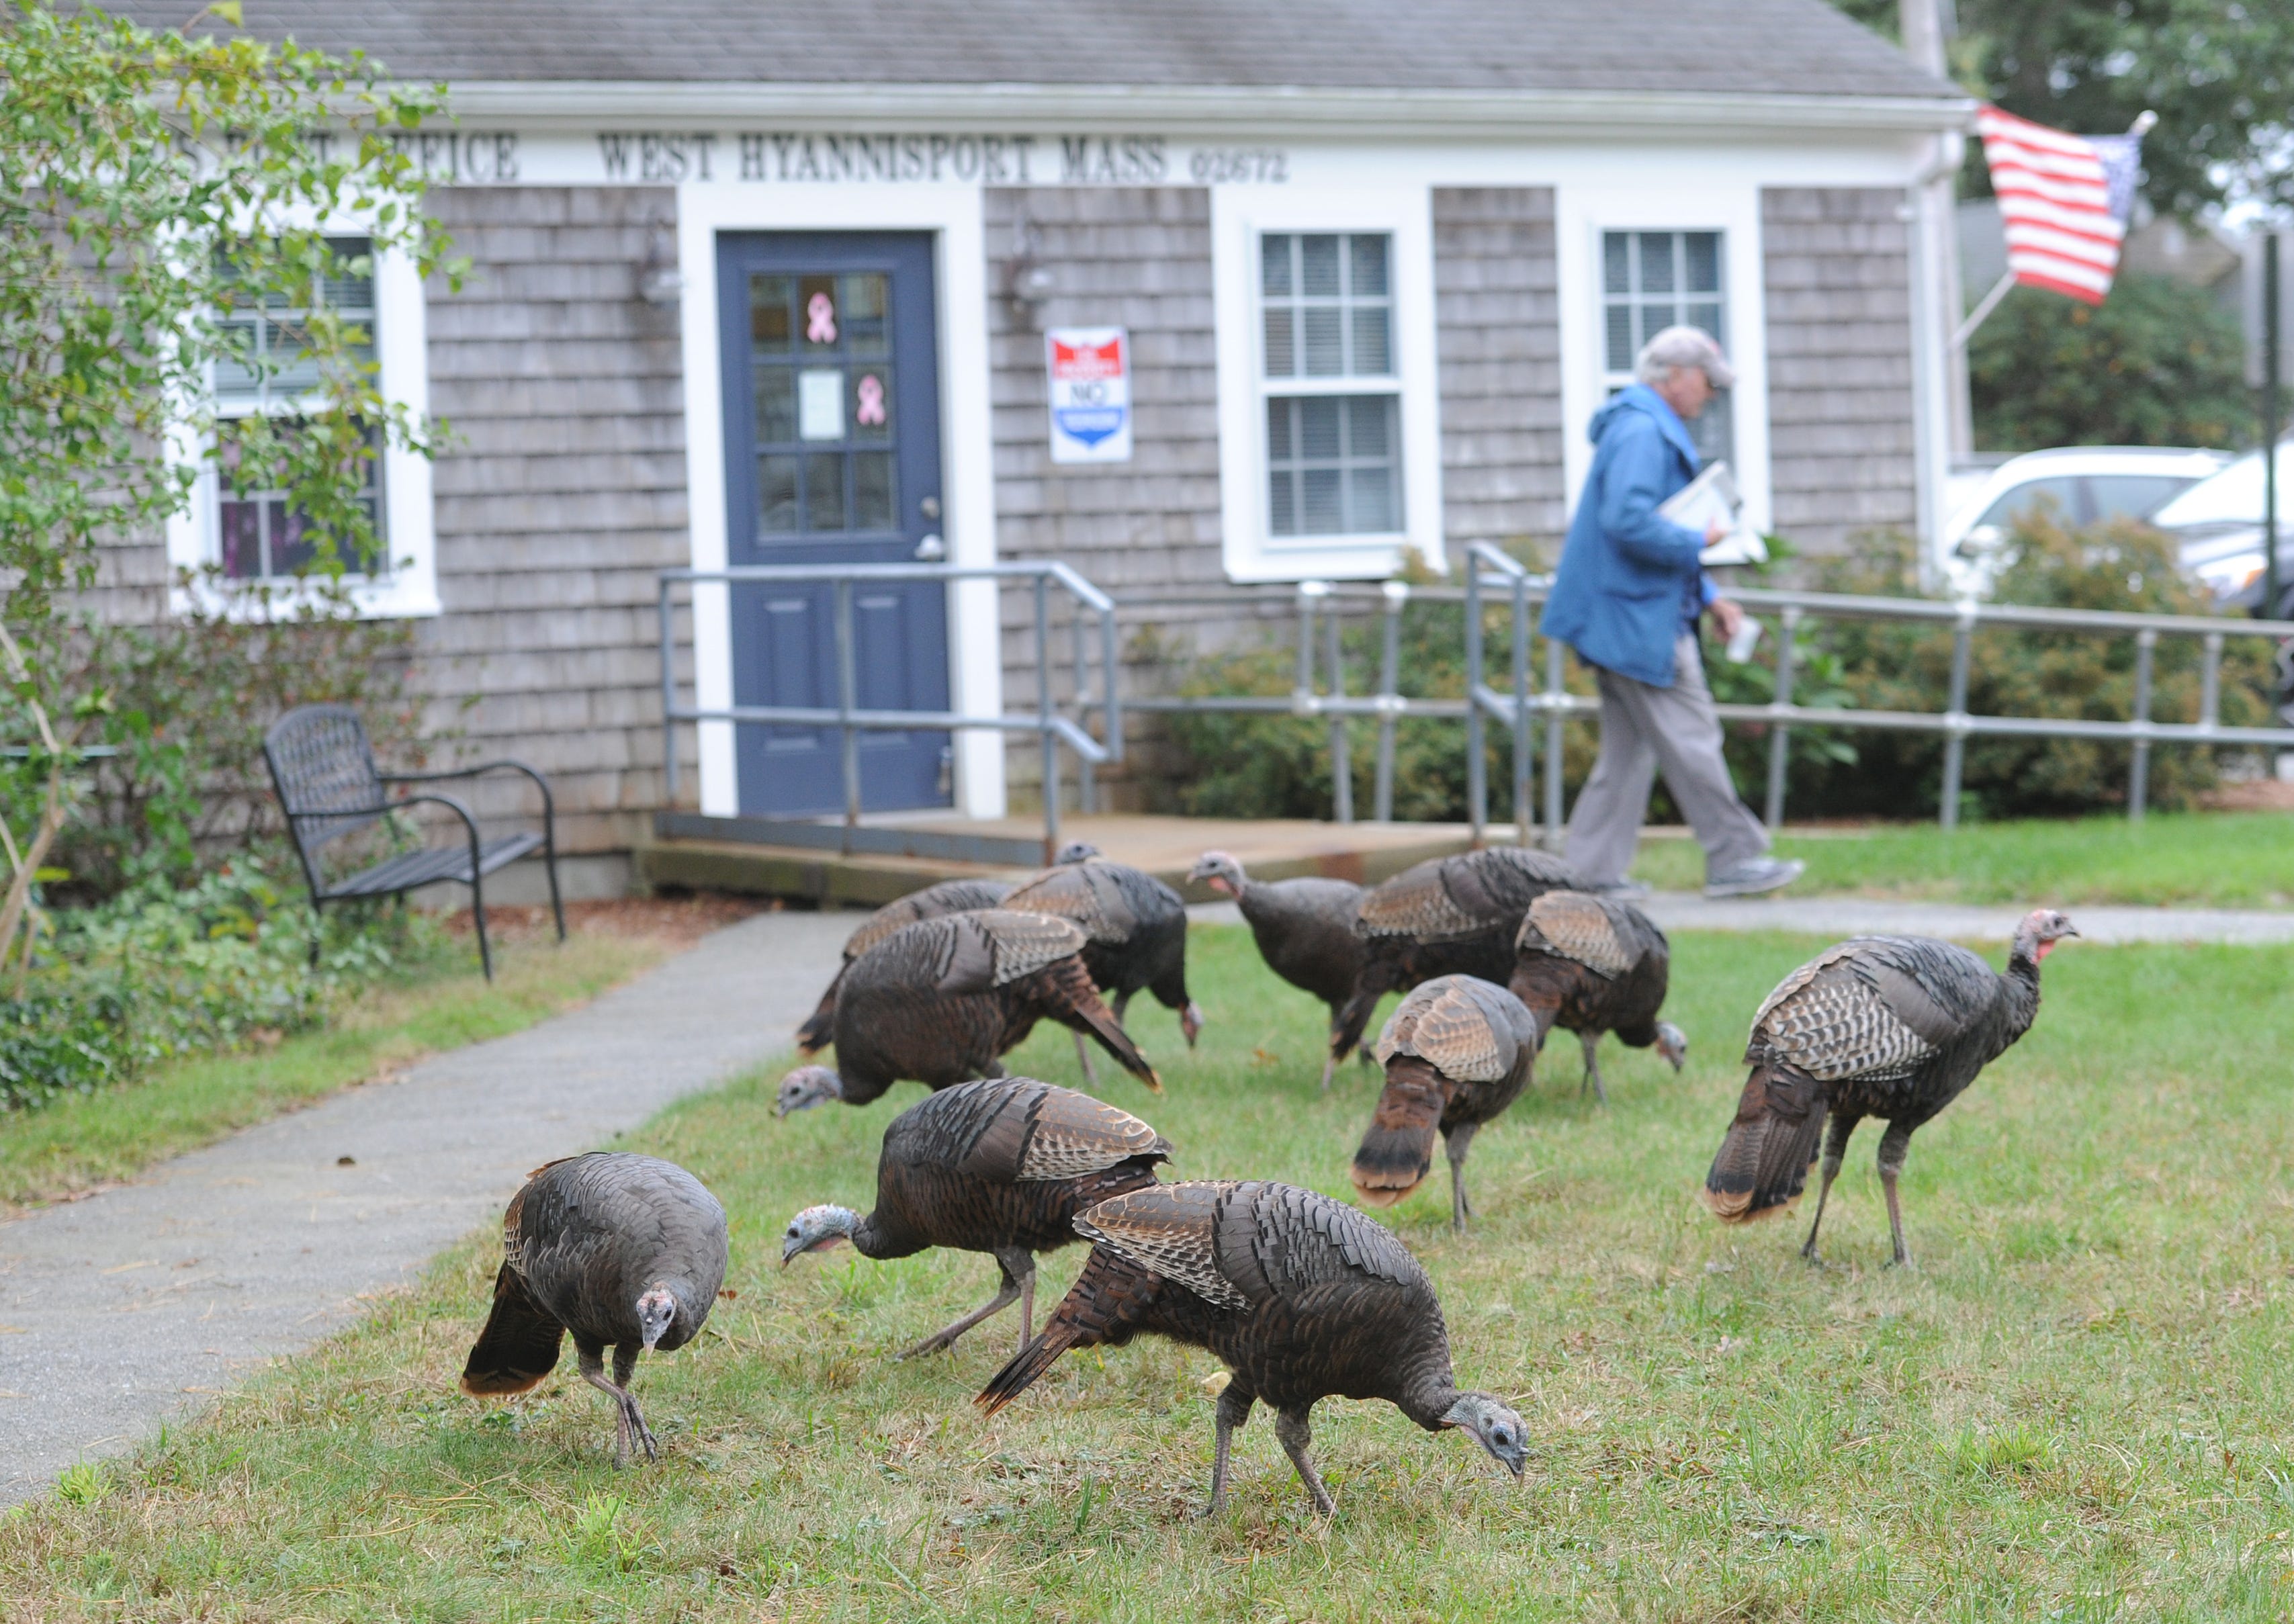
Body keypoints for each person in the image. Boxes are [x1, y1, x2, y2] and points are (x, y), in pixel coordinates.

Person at [1540, 326, 1804, 900]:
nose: (1709, 394)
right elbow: (1629, 522)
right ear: (1675, 376)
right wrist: (1697, 540)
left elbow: (1642, 525)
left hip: (1624, 616)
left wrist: (1709, 596)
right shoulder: (1641, 431)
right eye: (1707, 382)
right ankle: (1733, 859)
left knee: (1627, 754)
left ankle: (1588, 876)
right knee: (1691, 737)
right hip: (1634, 622)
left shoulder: (1638, 426)